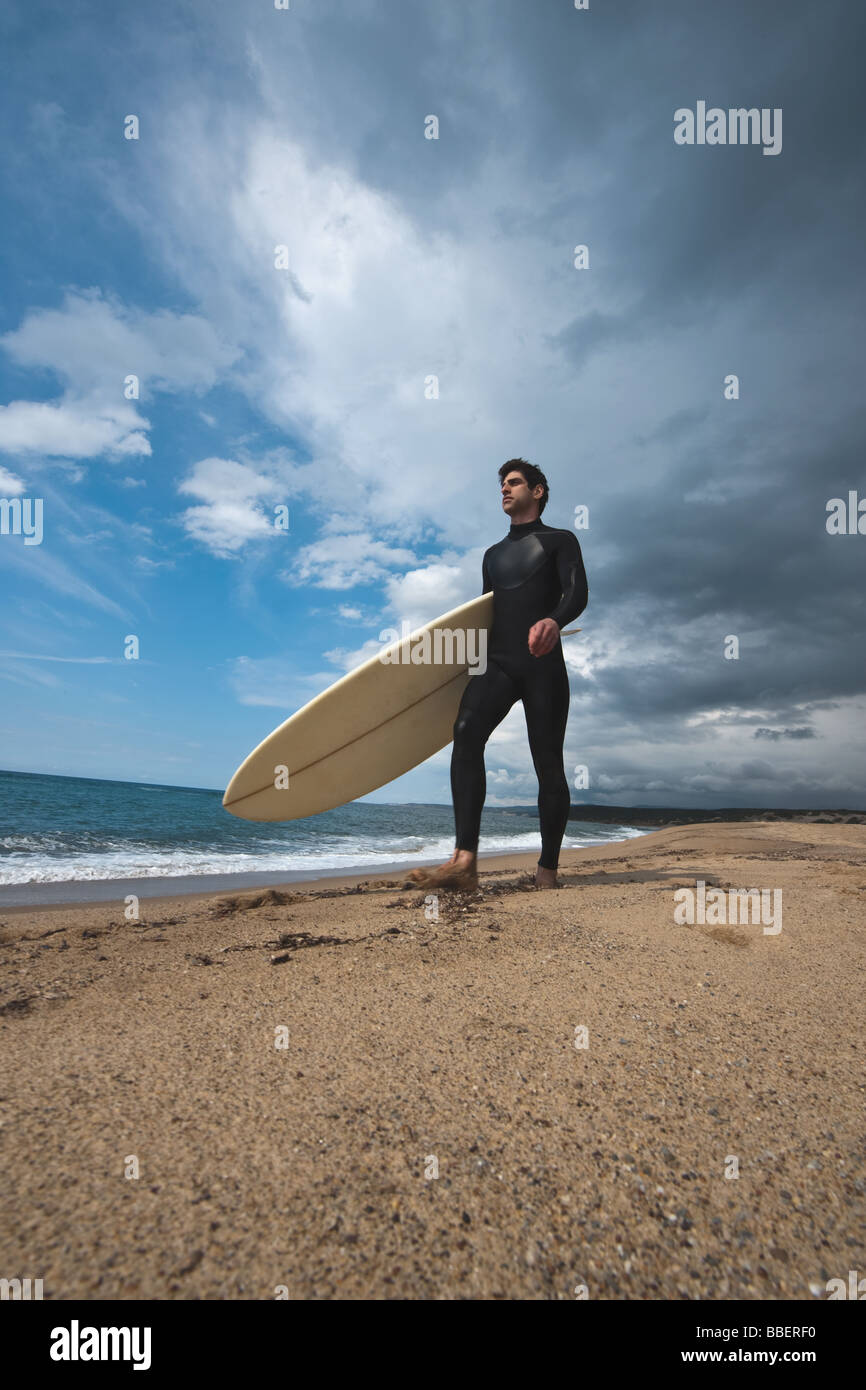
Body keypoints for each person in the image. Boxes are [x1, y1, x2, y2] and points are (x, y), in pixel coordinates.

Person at [407, 458, 588, 892]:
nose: (504, 490)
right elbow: (486, 615)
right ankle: (464, 860)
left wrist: (554, 621)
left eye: (514, 483)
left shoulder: (560, 541)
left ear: (538, 491)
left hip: (543, 665)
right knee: (466, 730)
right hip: (498, 662)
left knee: (548, 765)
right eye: (501, 485)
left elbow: (577, 593)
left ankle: (547, 871)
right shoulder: (492, 556)